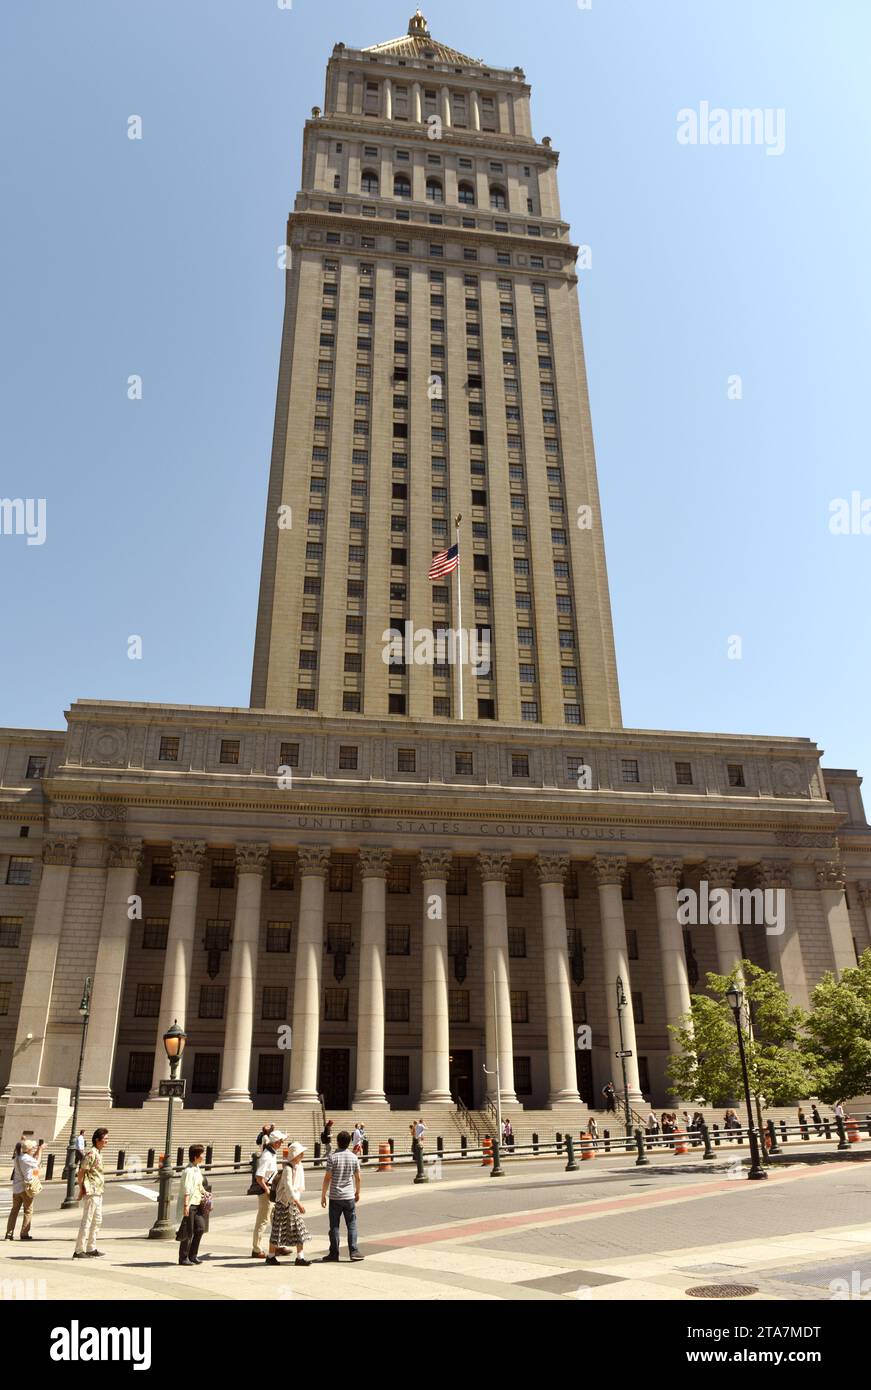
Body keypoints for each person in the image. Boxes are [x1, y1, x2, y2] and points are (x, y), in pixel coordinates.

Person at [320, 1130, 363, 1263]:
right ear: (349, 1142)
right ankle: (354, 1251)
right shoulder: (353, 1157)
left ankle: (334, 1253)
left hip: (335, 1196)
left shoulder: (332, 1158)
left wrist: (323, 1195)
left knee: (334, 1226)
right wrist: (357, 1192)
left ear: (337, 1142)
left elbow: (327, 1178)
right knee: (351, 1224)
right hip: (349, 1196)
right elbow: (358, 1178)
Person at [267, 1142, 311, 1267]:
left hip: (291, 1204)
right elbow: (288, 1188)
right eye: (301, 1153)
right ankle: (270, 1256)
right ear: (295, 1155)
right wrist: (298, 1203)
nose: (302, 1155)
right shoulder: (288, 1168)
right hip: (284, 1203)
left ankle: (300, 1257)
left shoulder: (297, 1166)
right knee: (277, 1230)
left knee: (298, 1229)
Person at [74, 1127, 109, 1258]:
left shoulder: (99, 1153)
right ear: (97, 1140)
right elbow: (82, 1171)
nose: (107, 1141)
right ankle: (78, 1249)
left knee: (97, 1220)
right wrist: (81, 1189)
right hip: (91, 1190)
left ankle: (91, 1247)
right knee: (87, 1220)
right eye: (105, 1139)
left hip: (98, 1191)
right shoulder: (91, 1154)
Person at [252, 1130, 285, 1259]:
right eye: (280, 1141)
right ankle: (256, 1249)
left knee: (275, 1219)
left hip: (272, 1190)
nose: (282, 1143)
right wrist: (267, 1191)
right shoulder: (267, 1155)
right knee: (263, 1220)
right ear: (275, 1142)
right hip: (267, 1191)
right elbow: (259, 1177)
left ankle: (277, 1246)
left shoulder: (272, 1154)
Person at [6, 1137, 43, 1242]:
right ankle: (24, 1233)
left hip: (16, 1188)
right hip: (26, 1188)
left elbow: (32, 1162)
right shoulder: (27, 1159)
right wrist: (40, 1150)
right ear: (30, 1149)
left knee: (14, 1211)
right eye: (32, 1147)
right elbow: (37, 1163)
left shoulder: (18, 1157)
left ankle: (9, 1234)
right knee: (28, 1211)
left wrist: (35, 1151)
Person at [177, 1144, 208, 1266]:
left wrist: (206, 1194)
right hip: (190, 1205)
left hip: (198, 1203)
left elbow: (199, 1185)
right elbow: (187, 1189)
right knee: (188, 1231)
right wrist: (185, 1206)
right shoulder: (188, 1171)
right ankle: (183, 1257)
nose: (203, 1156)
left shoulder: (197, 1168)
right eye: (201, 1154)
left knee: (200, 1228)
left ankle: (193, 1255)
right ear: (196, 1156)